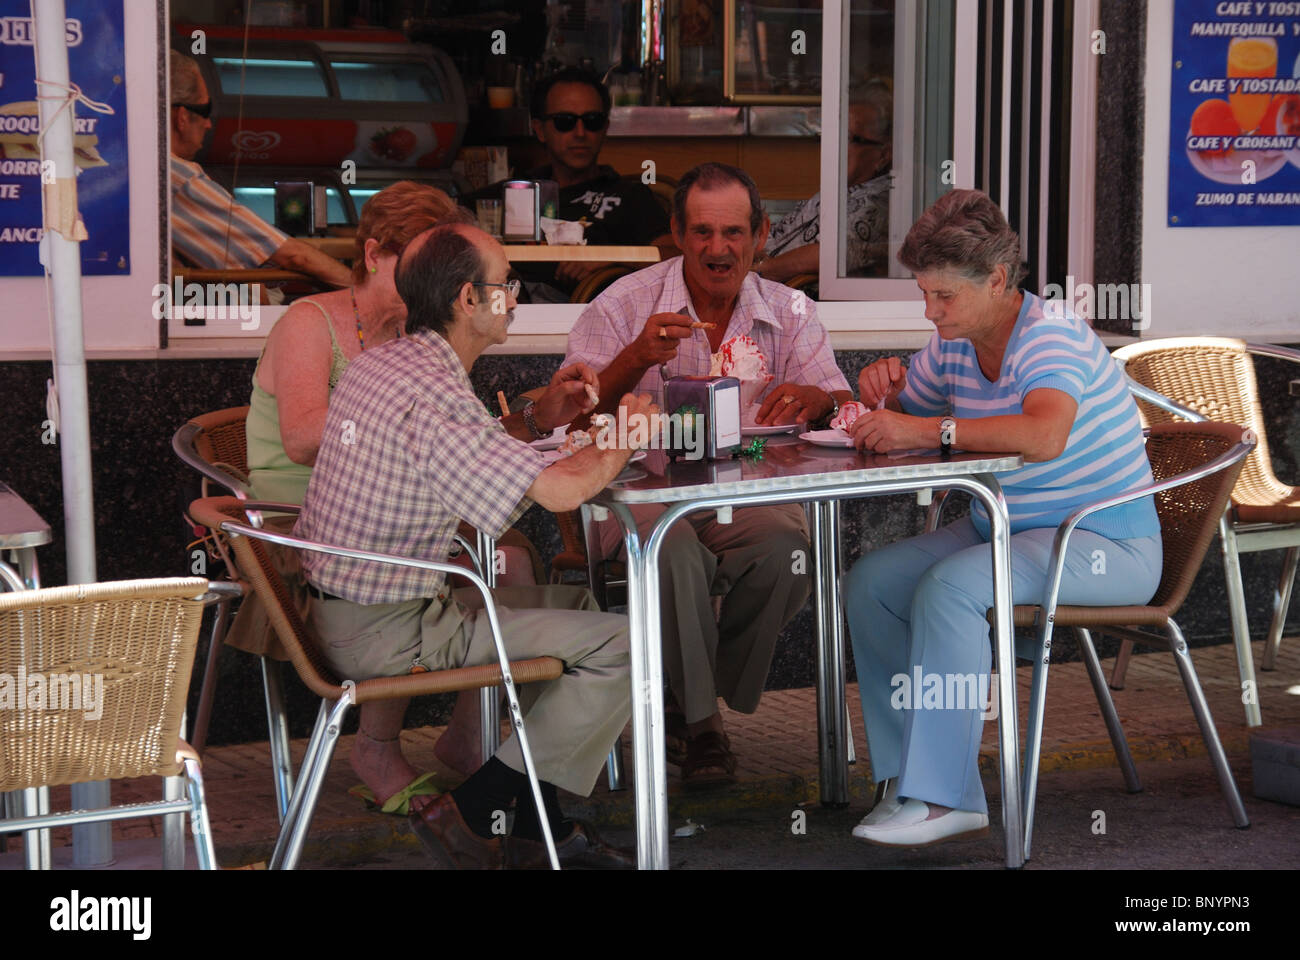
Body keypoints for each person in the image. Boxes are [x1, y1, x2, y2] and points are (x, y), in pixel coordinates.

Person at [294, 221, 655, 869]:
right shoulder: (434, 394)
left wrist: (541, 417)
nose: (515, 297)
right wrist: (629, 432)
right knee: (627, 647)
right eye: (506, 285)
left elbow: (468, 455)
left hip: (345, 608)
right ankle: (474, 810)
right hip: (388, 633)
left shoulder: (389, 362)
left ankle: (536, 823)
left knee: (578, 608)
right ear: (468, 299)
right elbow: (560, 493)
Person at [843, 189, 1162, 847]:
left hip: (1103, 542)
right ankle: (905, 782)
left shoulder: (1050, 335)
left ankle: (945, 798)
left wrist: (925, 426)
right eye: (924, 296)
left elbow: (1044, 435)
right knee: (874, 583)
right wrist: (879, 388)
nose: (930, 312)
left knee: (952, 589)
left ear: (995, 279)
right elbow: (909, 406)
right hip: (1008, 527)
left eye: (945, 298)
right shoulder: (960, 339)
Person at [238, 181, 542, 785]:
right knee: (426, 554)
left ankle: (469, 737)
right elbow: (300, 438)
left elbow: (455, 443)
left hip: (397, 505)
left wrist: (537, 419)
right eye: (419, 262)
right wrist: (392, 419)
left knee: (512, 557)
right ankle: (376, 746)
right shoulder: (310, 322)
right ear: (374, 253)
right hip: (297, 516)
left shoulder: (418, 338)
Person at [564, 161, 854, 787]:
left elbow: (836, 399)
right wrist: (636, 356)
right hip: (633, 491)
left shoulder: (791, 311)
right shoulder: (623, 304)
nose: (717, 249)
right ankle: (704, 729)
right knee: (671, 551)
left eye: (732, 233)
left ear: (761, 234)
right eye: (700, 232)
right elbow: (571, 413)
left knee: (789, 553)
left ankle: (689, 690)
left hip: (749, 490)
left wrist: (816, 398)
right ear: (676, 233)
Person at [464, 67, 675, 302]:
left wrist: (612, 260)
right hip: (504, 319)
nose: (580, 132)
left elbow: (675, 255)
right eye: (565, 122)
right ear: (540, 130)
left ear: (605, 128)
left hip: (592, 318)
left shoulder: (630, 195)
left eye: (592, 121)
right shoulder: (515, 190)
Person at [168, 51, 352, 293]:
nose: (209, 124)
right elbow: (292, 256)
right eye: (206, 110)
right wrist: (361, 290)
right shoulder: (179, 179)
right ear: (181, 118)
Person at [758, 79, 893, 283]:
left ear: (883, 155)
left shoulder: (882, 202)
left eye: (849, 138)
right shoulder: (840, 188)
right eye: (835, 135)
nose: (835, 147)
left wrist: (760, 271)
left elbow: (832, 254)